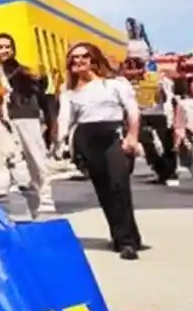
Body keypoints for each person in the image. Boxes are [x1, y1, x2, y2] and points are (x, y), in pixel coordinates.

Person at [58, 43, 143, 260]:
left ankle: (127, 242)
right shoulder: (69, 93)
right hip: (87, 138)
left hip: (113, 134)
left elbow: (132, 111)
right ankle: (123, 236)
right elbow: (65, 120)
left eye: (83, 56)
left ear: (94, 59)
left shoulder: (114, 84)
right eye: (73, 58)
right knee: (104, 190)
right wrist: (61, 143)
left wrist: (132, 136)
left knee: (119, 185)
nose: (78, 61)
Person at [0, 34, 57, 215]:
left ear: (13, 49)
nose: (4, 50)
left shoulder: (21, 71)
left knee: (36, 158)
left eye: (7, 47)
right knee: (11, 158)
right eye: (0, 47)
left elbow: (42, 91)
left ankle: (45, 197)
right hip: (5, 119)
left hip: (26, 117)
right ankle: (25, 199)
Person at [119, 57, 179, 186]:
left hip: (158, 114)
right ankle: (161, 170)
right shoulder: (123, 82)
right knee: (148, 145)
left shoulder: (157, 79)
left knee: (166, 144)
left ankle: (170, 172)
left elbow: (167, 95)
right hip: (139, 115)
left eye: (135, 68)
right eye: (129, 69)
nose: (132, 73)